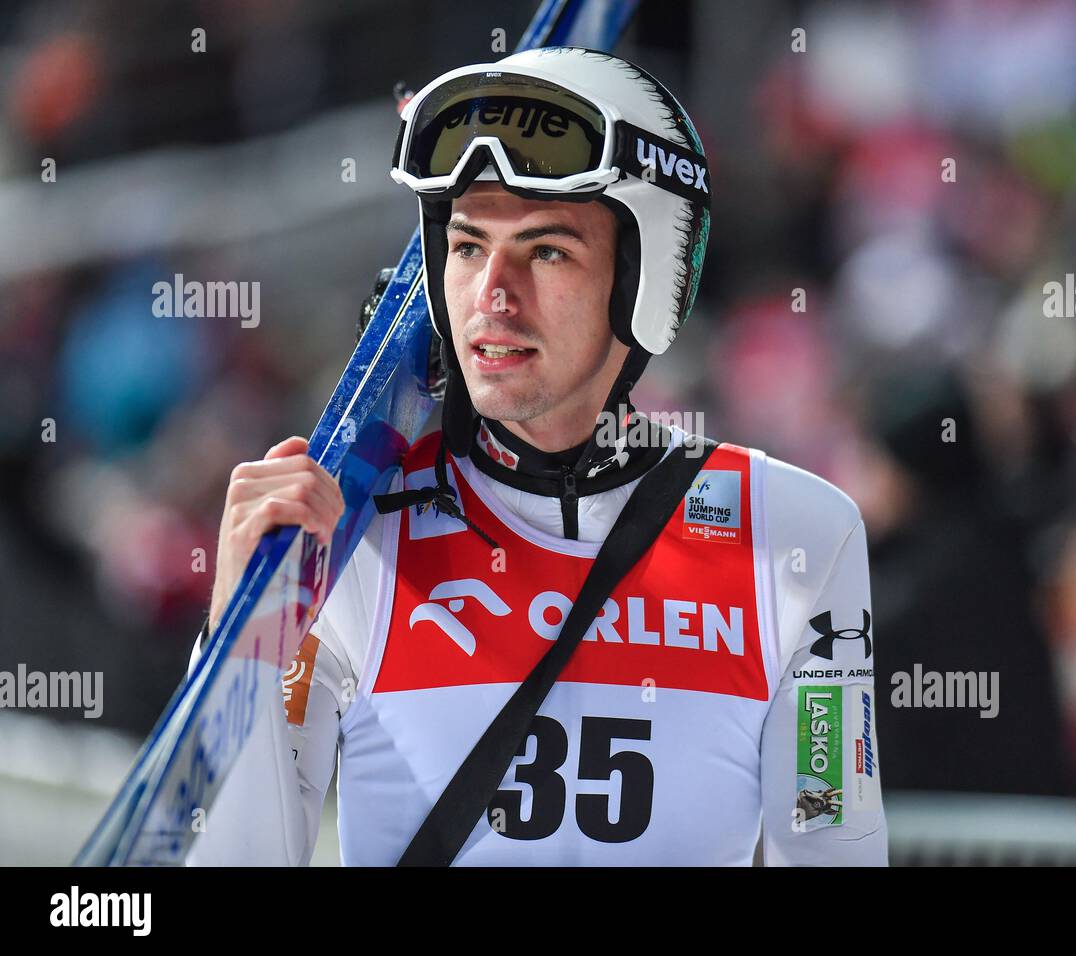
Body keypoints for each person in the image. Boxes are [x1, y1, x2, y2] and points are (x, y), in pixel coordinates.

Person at [188, 47, 885, 866]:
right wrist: (235, 645)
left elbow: (833, 843)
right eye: (468, 245)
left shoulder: (793, 536)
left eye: (547, 251)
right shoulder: (354, 534)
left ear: (644, 280)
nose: (493, 293)